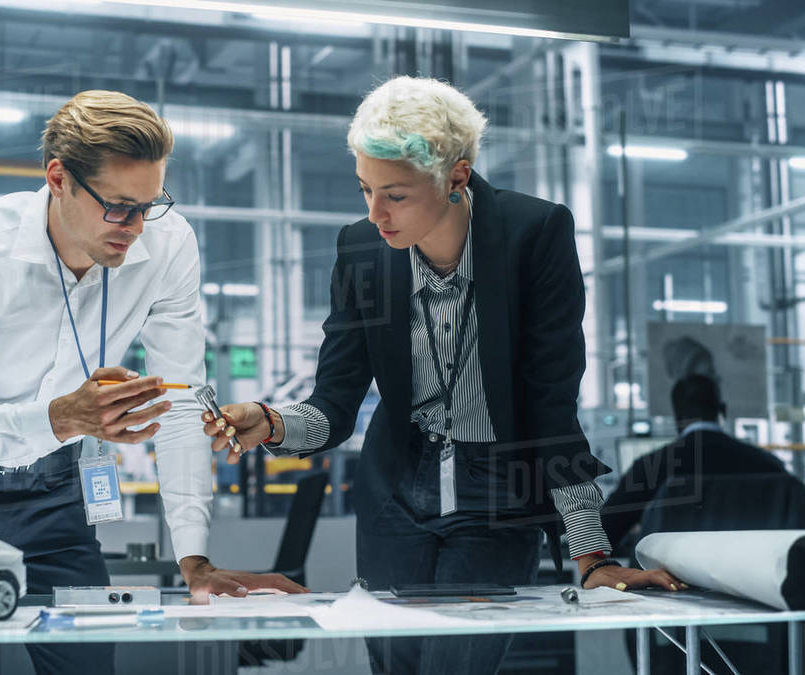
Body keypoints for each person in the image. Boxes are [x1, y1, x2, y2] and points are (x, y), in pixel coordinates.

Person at [202, 76, 682, 675]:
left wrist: (590, 553)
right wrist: (269, 422)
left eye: (395, 195)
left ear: (456, 177)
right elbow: (334, 406)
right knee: (396, 668)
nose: (375, 214)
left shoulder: (534, 236)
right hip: (393, 494)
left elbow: (551, 403)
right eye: (365, 190)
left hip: (498, 496)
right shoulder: (362, 252)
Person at [0, 90, 304, 675]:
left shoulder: (168, 244)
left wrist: (195, 558)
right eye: (117, 207)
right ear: (58, 178)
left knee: (84, 661)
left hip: (59, 490)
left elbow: (180, 405)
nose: (136, 227)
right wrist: (65, 417)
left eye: (150, 203)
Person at [601, 373, 805, 553]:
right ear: (723, 411)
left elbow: (604, 535)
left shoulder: (651, 468)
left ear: (677, 418)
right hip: (756, 592)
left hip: (670, 593)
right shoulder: (769, 465)